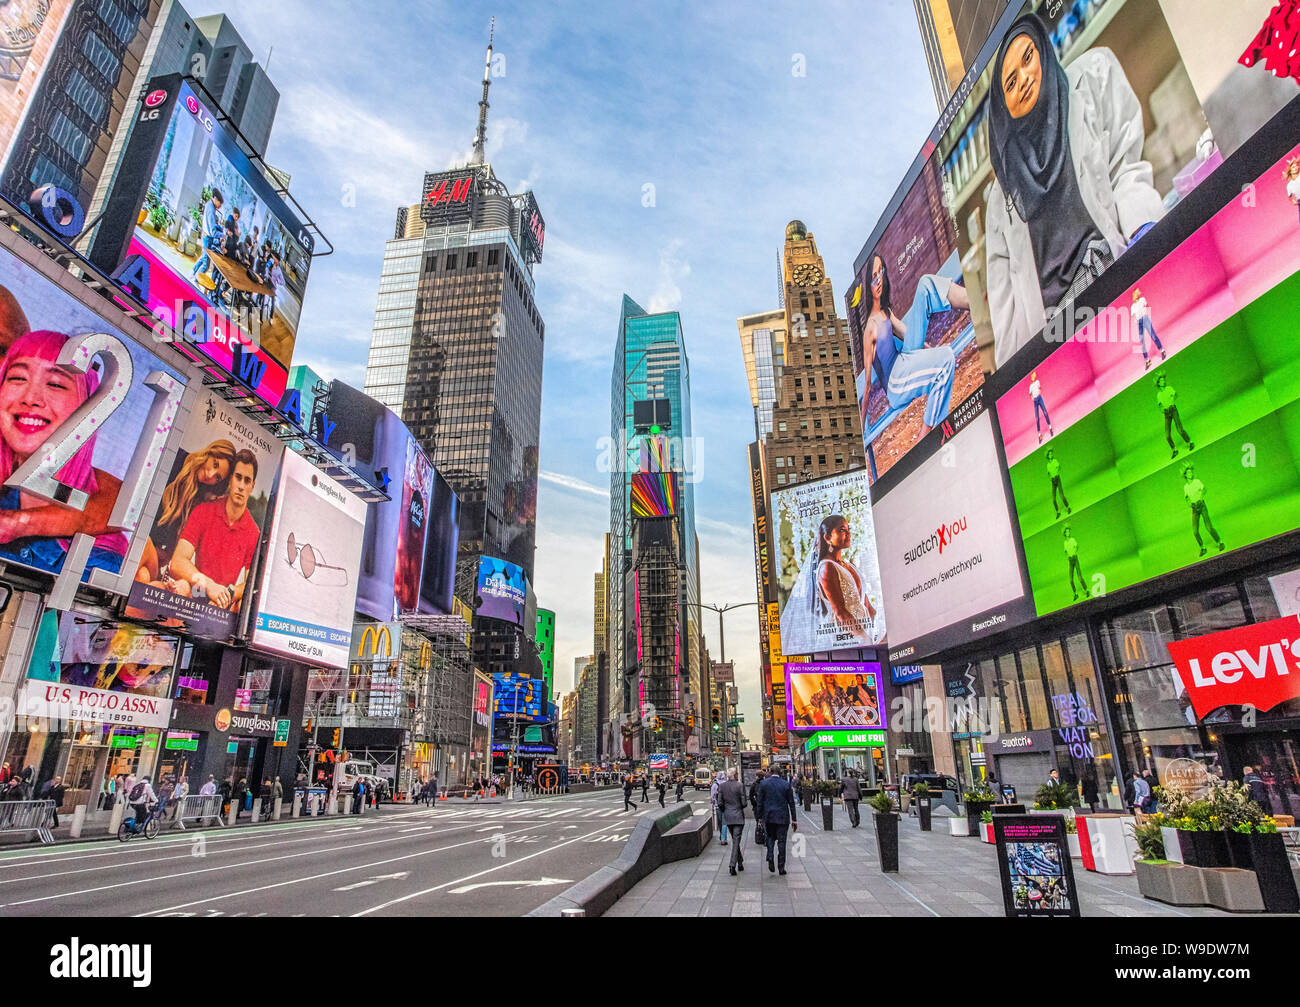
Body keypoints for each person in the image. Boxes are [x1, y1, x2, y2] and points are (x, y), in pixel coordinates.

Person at [985, 12, 1165, 367]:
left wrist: (1145, 230)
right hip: (1060, 331)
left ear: (1043, 53)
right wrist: (1016, 377)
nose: (1023, 79)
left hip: (1115, 274)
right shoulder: (999, 200)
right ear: (1002, 107)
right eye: (1009, 83)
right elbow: (1005, 307)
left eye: (1028, 57)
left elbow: (1124, 168)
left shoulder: (1093, 80)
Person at [0, 331, 132, 575]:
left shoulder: (99, 556)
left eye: (55, 384)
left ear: (89, 407)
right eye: (18, 378)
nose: (31, 398)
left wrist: (20, 524)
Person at [860, 252, 968, 440]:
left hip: (905, 359)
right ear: (868, 286)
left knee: (925, 284)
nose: (878, 280)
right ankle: (925, 437)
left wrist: (925, 350)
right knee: (946, 359)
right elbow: (868, 385)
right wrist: (861, 433)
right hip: (895, 382)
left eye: (881, 272)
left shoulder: (886, 311)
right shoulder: (870, 328)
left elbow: (904, 332)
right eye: (873, 277)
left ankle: (972, 299)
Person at [167, 449, 261, 610]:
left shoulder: (253, 532)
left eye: (247, 481)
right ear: (230, 479)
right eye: (238, 478)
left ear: (252, 486)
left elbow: (251, 583)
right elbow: (177, 561)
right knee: (181, 587)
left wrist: (230, 593)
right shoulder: (204, 511)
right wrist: (209, 585)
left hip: (223, 602)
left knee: (240, 605)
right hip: (198, 590)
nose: (241, 486)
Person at [134, 439, 235, 587]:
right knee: (142, 576)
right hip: (134, 540)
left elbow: (173, 551)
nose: (210, 474)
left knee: (143, 568)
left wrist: (165, 553)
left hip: (148, 555)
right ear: (209, 453)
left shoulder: (199, 501)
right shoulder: (175, 459)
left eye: (217, 477)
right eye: (214, 464)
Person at [783, 515, 880, 654]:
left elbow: (865, 603)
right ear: (828, 537)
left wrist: (878, 629)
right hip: (844, 640)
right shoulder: (827, 568)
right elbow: (841, 612)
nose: (848, 534)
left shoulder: (848, 565)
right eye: (842, 530)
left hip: (866, 634)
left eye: (848, 529)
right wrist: (864, 638)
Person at [756, 767, 797, 875]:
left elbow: (760, 802)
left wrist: (759, 817)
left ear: (770, 772)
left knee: (770, 838)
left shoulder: (764, 784)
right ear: (780, 773)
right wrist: (794, 819)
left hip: (769, 817)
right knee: (782, 842)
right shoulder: (785, 784)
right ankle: (781, 867)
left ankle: (770, 856)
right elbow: (791, 803)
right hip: (782, 817)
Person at [1181, 463, 1224, 557]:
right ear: (1185, 475)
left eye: (1191, 472)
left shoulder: (1197, 481)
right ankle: (1203, 548)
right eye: (1188, 473)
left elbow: (1204, 489)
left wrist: (1201, 496)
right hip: (1194, 508)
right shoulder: (1185, 487)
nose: (1190, 474)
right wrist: (1189, 504)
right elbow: (1186, 498)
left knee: (1209, 527)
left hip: (1202, 505)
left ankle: (1220, 542)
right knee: (1195, 531)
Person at [1153, 371, 1193, 459]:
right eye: (1162, 381)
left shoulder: (1169, 388)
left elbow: (1176, 395)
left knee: (1180, 430)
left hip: (1173, 410)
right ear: (1158, 383)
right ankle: (1174, 450)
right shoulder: (1159, 395)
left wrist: (1172, 401)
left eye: (1164, 380)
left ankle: (1190, 443)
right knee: (1167, 435)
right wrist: (1162, 410)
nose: (1163, 381)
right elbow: (1160, 406)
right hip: (1167, 413)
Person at [717, 768, 748, 875]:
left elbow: (720, 803)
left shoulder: (722, 786)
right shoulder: (740, 785)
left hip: (728, 816)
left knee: (735, 840)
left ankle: (740, 863)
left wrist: (725, 811)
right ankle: (732, 865)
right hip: (738, 816)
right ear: (735, 775)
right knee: (736, 841)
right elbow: (744, 803)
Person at [191, 188, 225, 280]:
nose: (220, 207)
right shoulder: (211, 209)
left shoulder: (210, 205)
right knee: (206, 265)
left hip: (206, 235)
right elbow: (213, 232)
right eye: (220, 204)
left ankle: (192, 272)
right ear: (215, 199)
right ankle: (196, 280)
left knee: (203, 257)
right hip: (208, 237)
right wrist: (223, 235)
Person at [1130, 288, 1165, 369]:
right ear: (1135, 295)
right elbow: (1132, 316)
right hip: (1140, 322)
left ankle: (1162, 351)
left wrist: (1146, 313)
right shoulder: (1133, 306)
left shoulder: (1142, 299)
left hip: (1145, 319)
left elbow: (1147, 306)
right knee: (1142, 341)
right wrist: (1135, 320)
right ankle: (1147, 361)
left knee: (1153, 335)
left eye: (1139, 293)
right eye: (1137, 293)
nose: (1139, 294)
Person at [1062, 525, 1089, 602]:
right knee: (1071, 580)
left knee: (1080, 577)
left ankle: (1086, 590)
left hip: (1075, 558)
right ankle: (1075, 594)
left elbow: (1077, 546)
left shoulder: (1072, 539)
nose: (1068, 533)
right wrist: (1068, 555)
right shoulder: (1064, 542)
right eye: (1066, 532)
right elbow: (1065, 551)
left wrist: (1074, 552)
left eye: (1069, 531)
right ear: (1064, 533)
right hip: (1070, 560)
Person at [1029, 370, 1054, 442]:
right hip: (1035, 401)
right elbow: (1030, 394)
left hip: (1040, 398)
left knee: (1045, 412)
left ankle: (1050, 428)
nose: (1034, 377)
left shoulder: (1037, 382)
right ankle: (1039, 435)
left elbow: (1040, 388)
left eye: (1035, 375)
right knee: (1037, 418)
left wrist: (1040, 391)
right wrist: (1032, 397)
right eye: (1033, 376)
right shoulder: (1030, 386)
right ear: (1031, 377)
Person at [1045, 448, 1070, 519]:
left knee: (1061, 495)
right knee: (1053, 499)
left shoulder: (1055, 461)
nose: (1051, 455)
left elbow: (1059, 468)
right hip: (1053, 481)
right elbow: (1048, 473)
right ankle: (1058, 512)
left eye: (1051, 454)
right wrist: (1050, 478)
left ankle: (1068, 507)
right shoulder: (1047, 465)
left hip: (1057, 478)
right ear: (1047, 456)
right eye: (1049, 454)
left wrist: (1057, 473)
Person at [710, 771, 729, 845]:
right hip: (726, 806)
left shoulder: (715, 785)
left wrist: (713, 802)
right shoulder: (726, 784)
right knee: (725, 823)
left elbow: (712, 797)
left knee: (720, 822)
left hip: (718, 806)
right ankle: (724, 839)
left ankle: (721, 835)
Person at [1284, 157, 1300, 225]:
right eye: (1293, 167)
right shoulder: (1289, 185)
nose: (1296, 167)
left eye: (1296, 166)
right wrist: (1293, 201)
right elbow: (1289, 197)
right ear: (1290, 170)